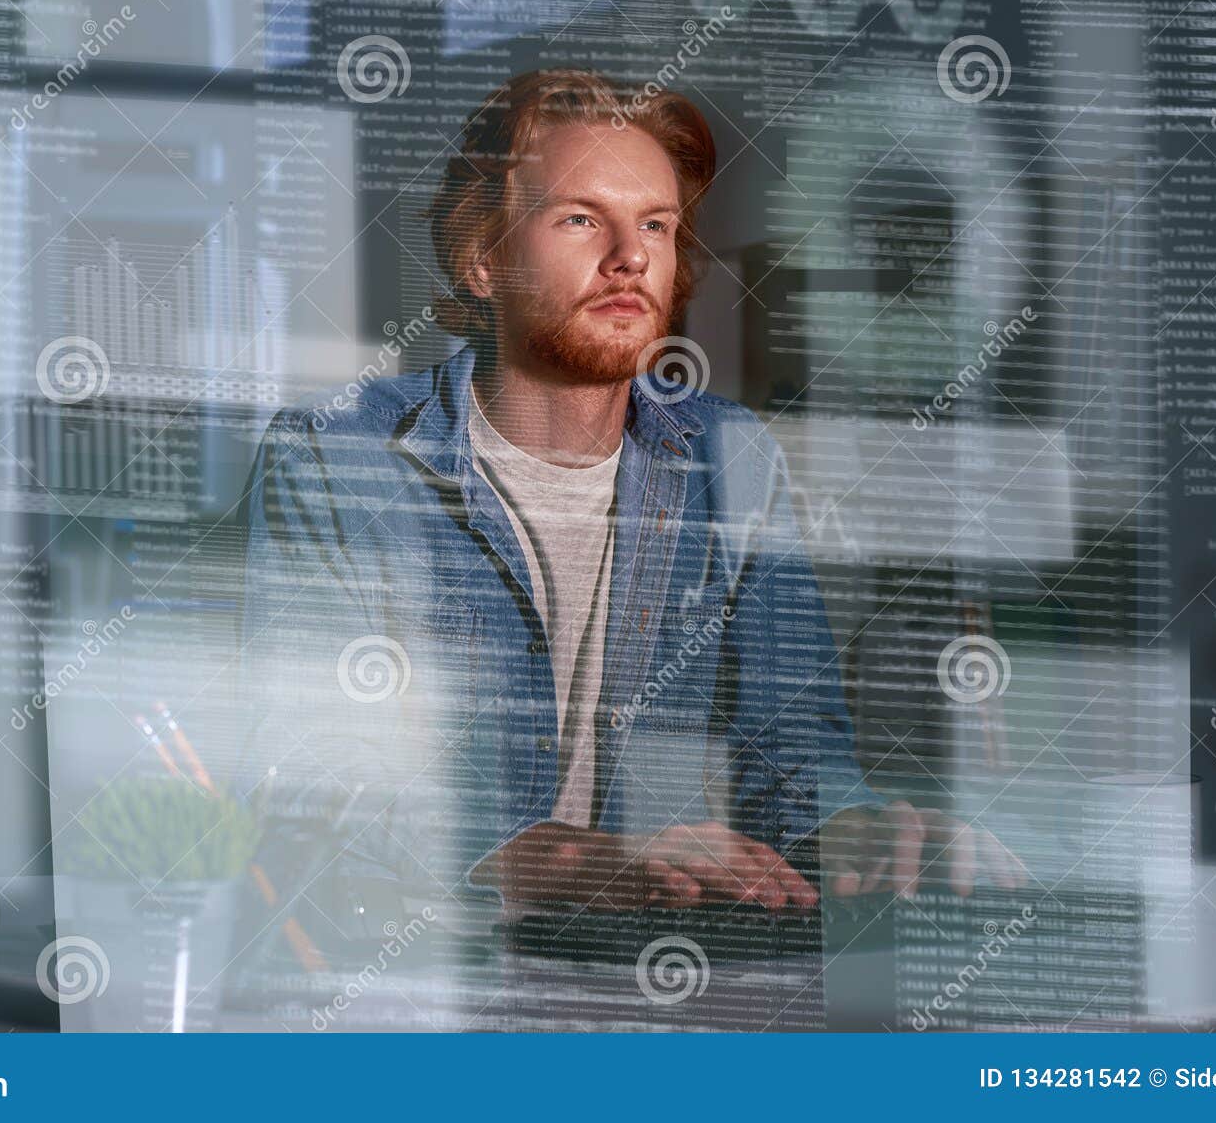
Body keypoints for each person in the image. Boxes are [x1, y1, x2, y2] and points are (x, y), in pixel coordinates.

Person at [242, 68, 1026, 913]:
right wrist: (550, 861)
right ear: (481, 260)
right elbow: (311, 775)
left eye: (655, 223)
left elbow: (790, 751)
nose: (631, 258)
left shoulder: (731, 459)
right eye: (581, 219)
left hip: (663, 967)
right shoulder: (337, 456)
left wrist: (854, 830)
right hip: (419, 977)